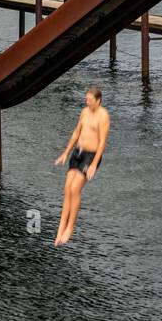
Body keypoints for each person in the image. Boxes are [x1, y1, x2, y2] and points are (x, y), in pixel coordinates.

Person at [53, 87, 111, 246]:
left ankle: (70, 228)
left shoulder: (103, 116)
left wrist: (93, 164)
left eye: (90, 100)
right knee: (67, 188)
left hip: (90, 156)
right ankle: (61, 226)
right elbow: (76, 132)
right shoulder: (85, 112)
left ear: (98, 100)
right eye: (86, 99)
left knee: (75, 189)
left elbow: (102, 144)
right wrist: (66, 152)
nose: (87, 102)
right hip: (77, 153)